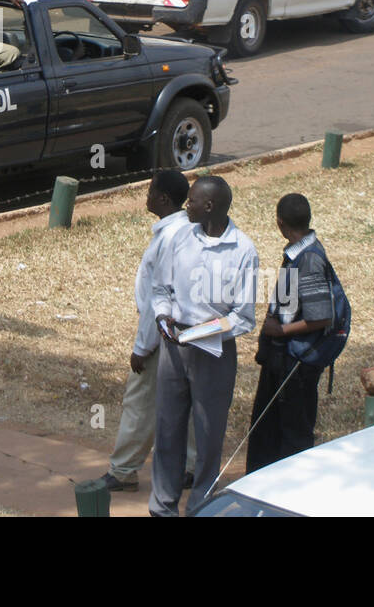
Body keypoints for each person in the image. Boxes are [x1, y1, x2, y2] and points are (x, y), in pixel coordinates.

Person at [148, 175, 258, 517]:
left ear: (209, 206)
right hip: (173, 347)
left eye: (192, 200)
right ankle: (162, 506)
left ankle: (200, 507)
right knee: (167, 428)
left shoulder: (243, 250)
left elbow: (243, 316)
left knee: (209, 434)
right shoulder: (180, 237)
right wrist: (163, 315)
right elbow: (160, 288)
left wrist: (205, 332)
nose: (186, 205)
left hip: (214, 354)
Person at [94, 169, 195, 494]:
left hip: (161, 334)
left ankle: (123, 470)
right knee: (186, 400)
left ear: (163, 198)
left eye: (151, 190)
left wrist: (142, 347)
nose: (146, 196)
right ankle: (189, 467)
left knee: (139, 402)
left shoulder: (169, 237)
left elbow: (157, 298)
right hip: (182, 334)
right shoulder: (183, 230)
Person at [245, 193, 335, 474]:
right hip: (282, 360)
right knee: (267, 433)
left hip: (296, 366)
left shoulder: (309, 260)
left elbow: (321, 317)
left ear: (280, 223)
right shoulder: (298, 252)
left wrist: (280, 329)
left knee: (292, 439)